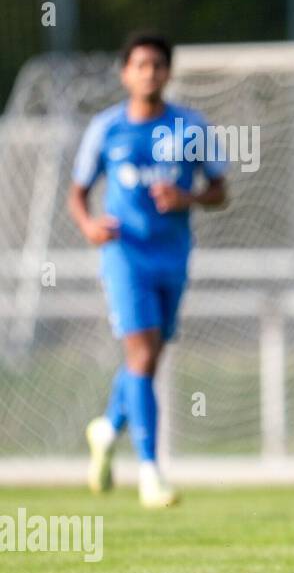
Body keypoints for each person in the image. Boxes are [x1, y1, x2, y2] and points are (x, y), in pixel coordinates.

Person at [70, 32, 229, 508]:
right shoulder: (106, 128)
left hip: (172, 255)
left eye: (158, 65)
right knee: (141, 356)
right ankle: (149, 472)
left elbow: (221, 189)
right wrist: (89, 225)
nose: (149, 73)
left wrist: (189, 197)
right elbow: (77, 191)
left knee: (147, 359)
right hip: (124, 257)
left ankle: (106, 428)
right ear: (125, 73)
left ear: (168, 72)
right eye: (140, 65)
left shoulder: (191, 127)